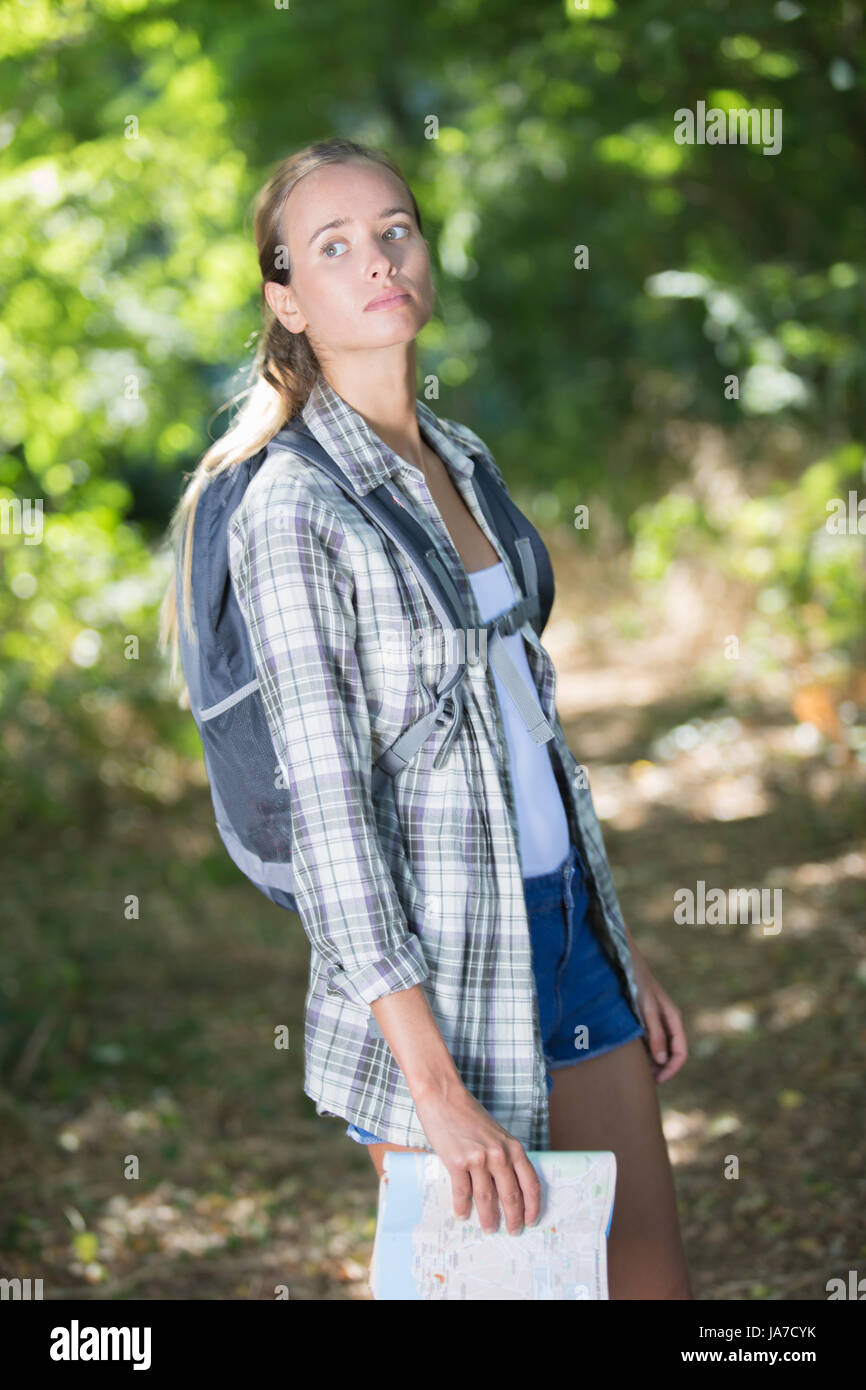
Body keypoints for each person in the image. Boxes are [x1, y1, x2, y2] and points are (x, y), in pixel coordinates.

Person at [161, 137, 693, 1299]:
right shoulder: (291, 504)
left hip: (562, 936)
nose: (376, 259)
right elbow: (332, 815)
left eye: (394, 228)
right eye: (333, 245)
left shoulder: (459, 454)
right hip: (434, 982)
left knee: (649, 1289)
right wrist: (434, 1088)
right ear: (286, 298)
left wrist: (613, 939)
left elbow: (526, 732)